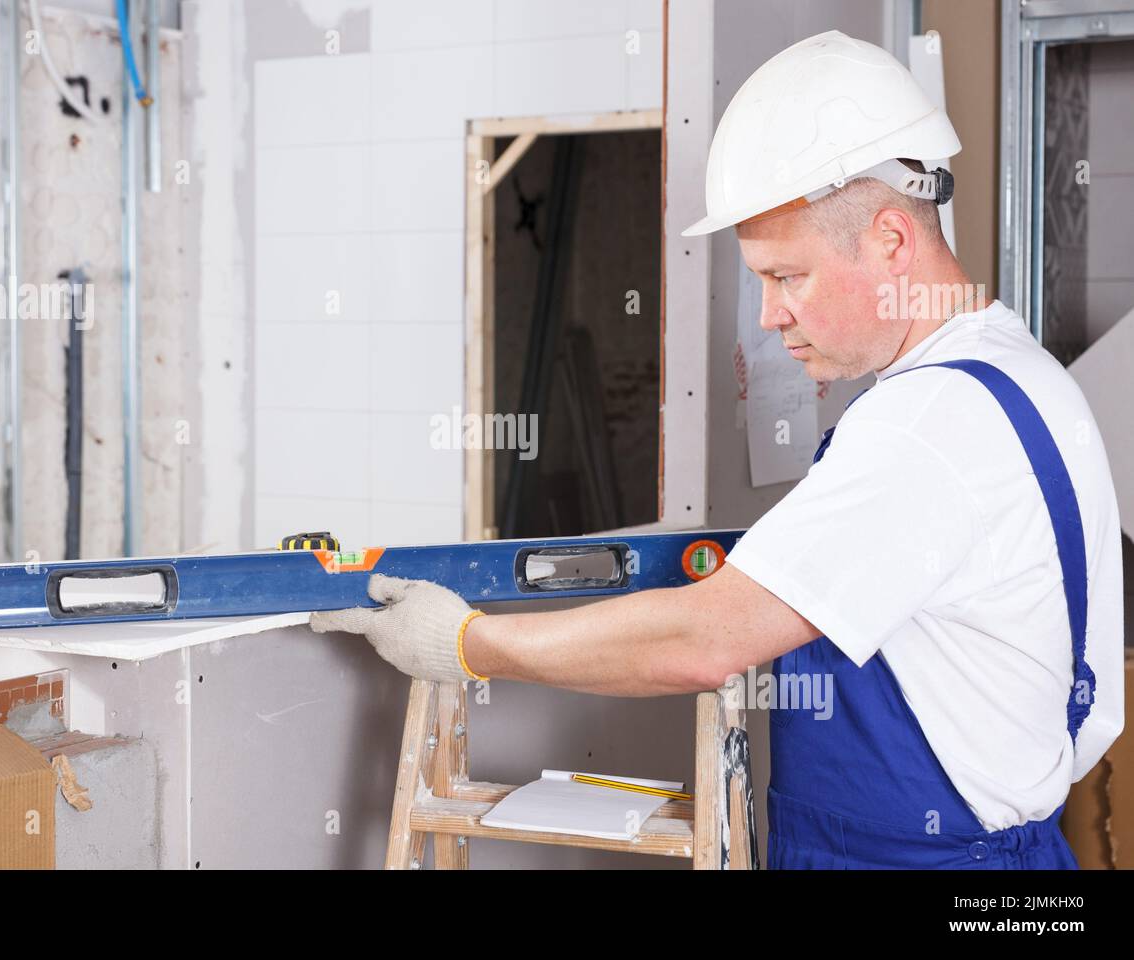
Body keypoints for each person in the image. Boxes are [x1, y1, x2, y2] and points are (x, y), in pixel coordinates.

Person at [311, 30, 1124, 869]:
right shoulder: (1017, 370)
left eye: (788, 277)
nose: (771, 316)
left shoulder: (924, 426)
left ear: (890, 239)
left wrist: (468, 644)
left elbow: (704, 641)